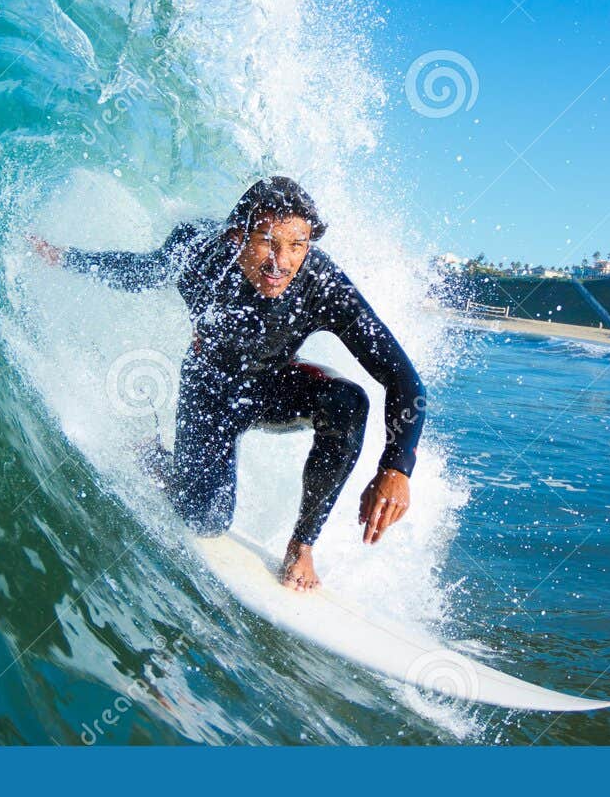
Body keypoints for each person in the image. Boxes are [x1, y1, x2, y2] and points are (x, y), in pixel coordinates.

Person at [28, 177, 425, 592]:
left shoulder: (322, 284)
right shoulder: (200, 254)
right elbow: (140, 272)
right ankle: (157, 461)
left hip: (274, 386)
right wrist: (64, 258)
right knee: (205, 519)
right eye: (267, 242)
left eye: (298, 244)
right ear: (238, 235)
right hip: (209, 390)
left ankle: (302, 545)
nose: (282, 262)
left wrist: (398, 467)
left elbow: (402, 377)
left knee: (348, 402)